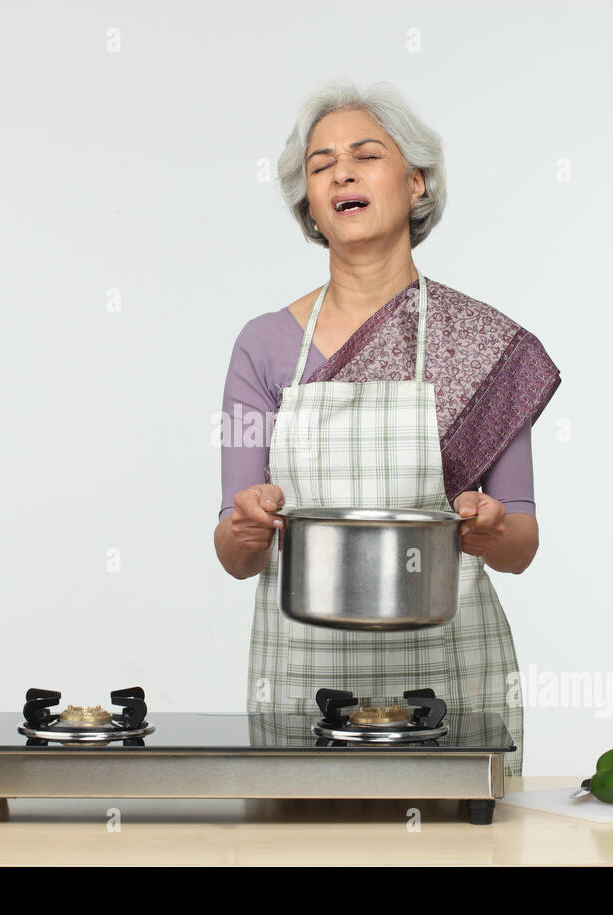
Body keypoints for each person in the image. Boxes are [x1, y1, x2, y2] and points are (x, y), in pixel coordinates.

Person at [213, 80, 561, 775]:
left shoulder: (483, 345)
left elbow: (520, 545)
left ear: (416, 183)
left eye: (365, 155)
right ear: (310, 205)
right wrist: (245, 525)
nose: (341, 171)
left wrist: (491, 528)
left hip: (448, 673)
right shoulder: (262, 346)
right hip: (303, 678)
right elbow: (235, 551)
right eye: (320, 165)